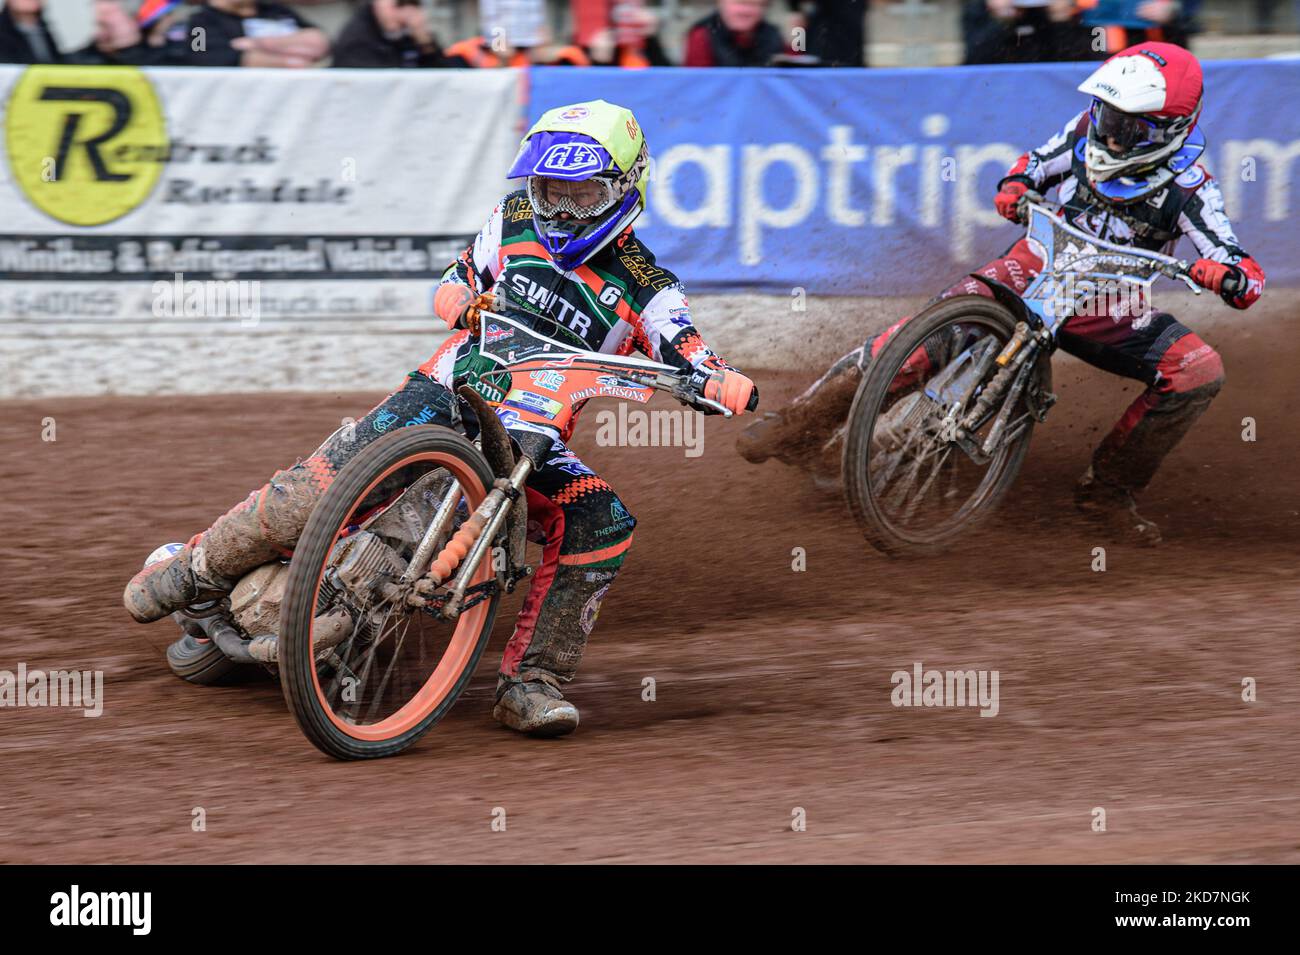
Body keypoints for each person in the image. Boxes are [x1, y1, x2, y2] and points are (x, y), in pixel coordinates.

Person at [124, 100, 758, 737]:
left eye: (580, 194)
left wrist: (716, 379)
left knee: (604, 520)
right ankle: (195, 568)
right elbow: (460, 272)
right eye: (549, 191)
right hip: (449, 390)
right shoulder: (512, 220)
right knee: (324, 481)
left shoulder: (647, 284)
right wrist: (456, 294)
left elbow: (684, 346)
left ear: (624, 188)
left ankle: (531, 684)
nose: (560, 210)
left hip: (529, 440)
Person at [738, 43, 1264, 545]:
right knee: (929, 335)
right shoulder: (1085, 131)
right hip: (1034, 262)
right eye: (1108, 116)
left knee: (1198, 370)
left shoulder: (1192, 189)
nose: (1113, 133)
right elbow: (1033, 164)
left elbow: (1240, 264)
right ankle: (800, 425)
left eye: (1129, 126)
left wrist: (1231, 276)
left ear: (1170, 130)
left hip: (1110, 302)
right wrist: (1014, 189)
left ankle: (1107, 495)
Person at [166, 0, 330, 67]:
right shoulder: (200, 22)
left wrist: (259, 44)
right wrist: (285, 60)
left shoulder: (276, 10)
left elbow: (318, 39)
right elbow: (198, 54)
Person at [332, 0, 444, 68]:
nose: (404, 12)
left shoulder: (412, 33)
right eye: (398, 4)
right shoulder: (357, 39)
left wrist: (425, 42)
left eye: (410, 3)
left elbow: (442, 74)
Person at [683, 0, 787, 67]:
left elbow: (795, 70)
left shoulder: (773, 35)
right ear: (720, 3)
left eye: (757, 5)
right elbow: (698, 84)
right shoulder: (702, 35)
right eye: (741, 3)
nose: (746, 11)